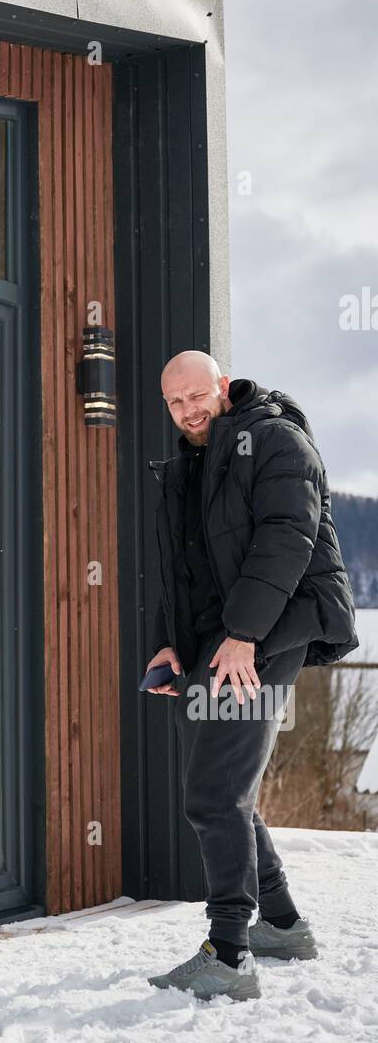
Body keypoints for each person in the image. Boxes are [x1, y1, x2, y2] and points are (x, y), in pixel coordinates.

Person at [143, 351, 358, 1001]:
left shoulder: (273, 439)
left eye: (196, 396)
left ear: (222, 386)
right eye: (175, 403)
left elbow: (287, 539)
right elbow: (181, 574)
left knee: (213, 792)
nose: (188, 411)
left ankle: (230, 952)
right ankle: (284, 923)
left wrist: (244, 635)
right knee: (223, 784)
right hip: (221, 638)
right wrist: (167, 646)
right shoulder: (193, 462)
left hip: (276, 625)